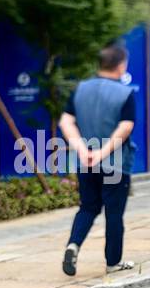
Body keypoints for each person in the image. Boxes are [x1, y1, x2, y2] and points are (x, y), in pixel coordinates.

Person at [58, 43, 137, 276]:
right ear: (121, 66)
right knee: (114, 213)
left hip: (86, 162)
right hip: (116, 164)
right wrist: (103, 153)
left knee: (88, 207)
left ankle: (73, 244)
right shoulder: (125, 93)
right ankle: (113, 263)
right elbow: (126, 126)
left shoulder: (80, 89)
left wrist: (83, 150)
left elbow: (65, 121)